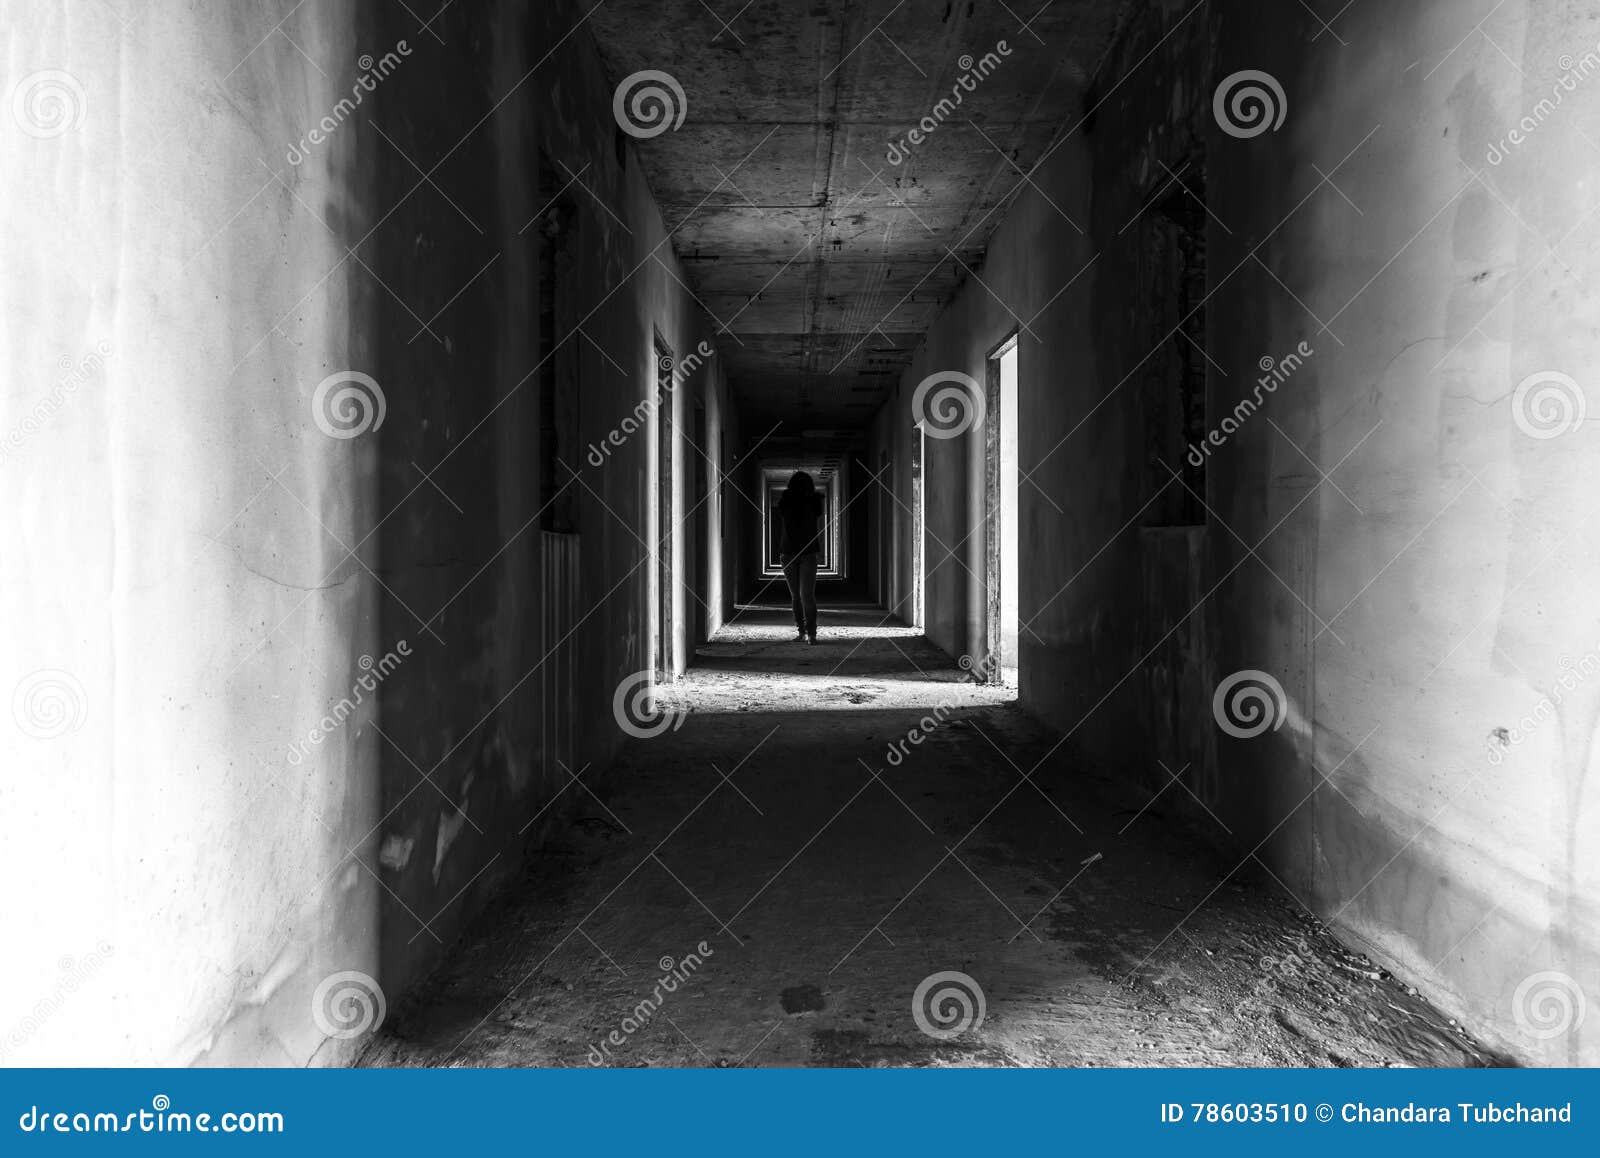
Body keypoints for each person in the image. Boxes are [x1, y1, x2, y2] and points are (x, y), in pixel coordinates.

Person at [777, 470, 824, 644]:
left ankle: (807, 632)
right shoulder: (797, 502)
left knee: (801, 595)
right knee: (803, 595)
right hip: (797, 553)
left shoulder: (803, 502)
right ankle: (807, 633)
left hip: (797, 552)